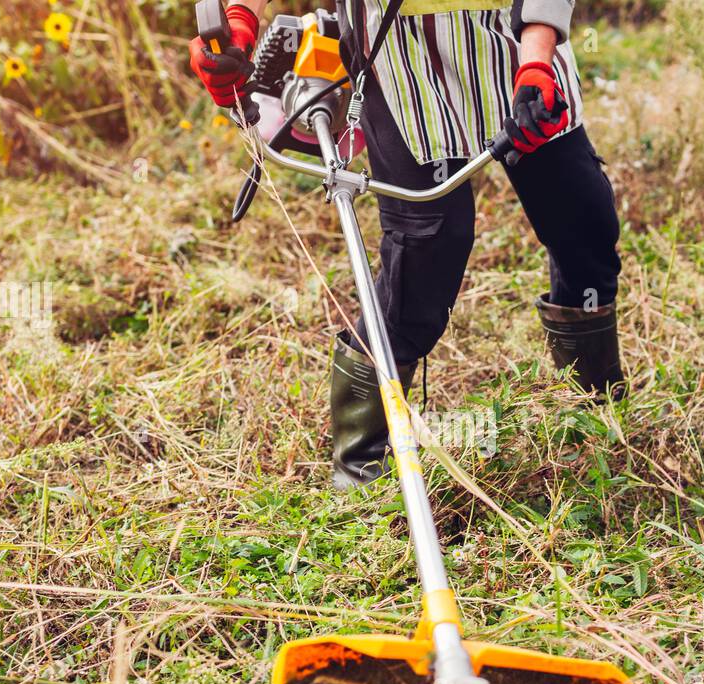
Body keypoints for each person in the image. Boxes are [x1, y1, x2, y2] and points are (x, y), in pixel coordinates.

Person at [191, 0, 624, 487]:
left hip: (519, 43)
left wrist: (538, 60)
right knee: (427, 248)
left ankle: (596, 410)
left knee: (582, 221)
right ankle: (360, 464)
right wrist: (239, 24)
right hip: (400, 59)